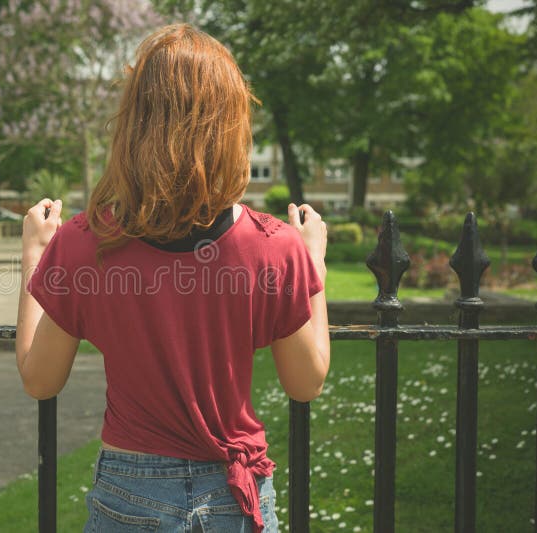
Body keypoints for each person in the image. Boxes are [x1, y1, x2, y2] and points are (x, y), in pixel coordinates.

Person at [16, 24, 329, 533]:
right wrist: (311, 260)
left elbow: (39, 378)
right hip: (233, 496)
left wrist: (36, 253)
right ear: (231, 125)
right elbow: (306, 382)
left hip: (129, 491)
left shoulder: (84, 242)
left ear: (135, 123)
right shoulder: (275, 246)